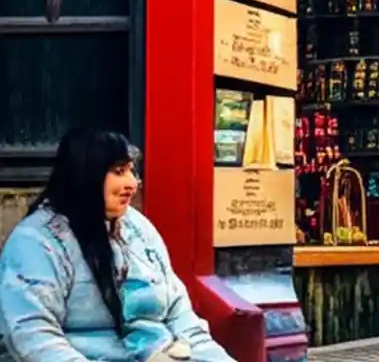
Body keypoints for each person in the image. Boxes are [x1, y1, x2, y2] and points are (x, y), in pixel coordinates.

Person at [0, 128, 234, 362]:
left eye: (132, 171)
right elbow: (33, 337)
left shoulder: (138, 228)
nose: (133, 183)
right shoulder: (36, 242)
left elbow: (179, 313)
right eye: (119, 172)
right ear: (86, 175)